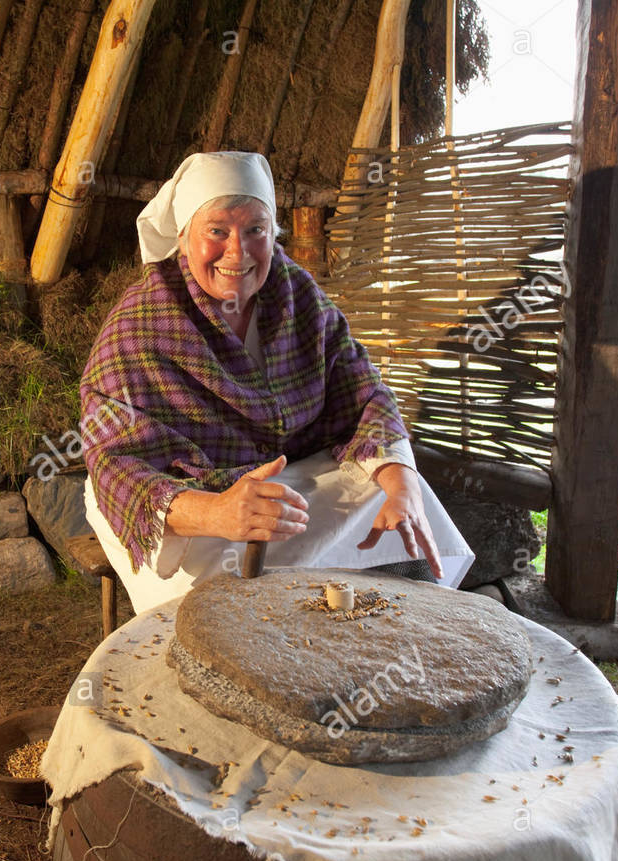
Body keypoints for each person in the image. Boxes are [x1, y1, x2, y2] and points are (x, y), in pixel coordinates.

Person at [79, 151, 473, 615]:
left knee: (401, 493)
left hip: (286, 477)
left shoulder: (297, 294)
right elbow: (111, 458)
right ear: (183, 237)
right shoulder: (142, 322)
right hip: (186, 502)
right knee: (216, 615)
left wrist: (399, 481)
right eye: (217, 231)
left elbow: (363, 391)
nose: (238, 252)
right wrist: (217, 512)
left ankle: (379, 633)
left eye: (255, 231)